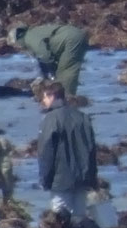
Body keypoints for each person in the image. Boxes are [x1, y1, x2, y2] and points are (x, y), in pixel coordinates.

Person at [33, 77, 99, 218]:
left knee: (61, 220)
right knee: (80, 220)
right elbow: (92, 150)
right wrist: (92, 178)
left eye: (44, 97)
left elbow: (46, 152)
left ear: (51, 96)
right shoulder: (83, 117)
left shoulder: (50, 119)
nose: (42, 101)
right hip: (83, 178)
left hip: (60, 180)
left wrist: (45, 180)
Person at [11, 22, 90, 101]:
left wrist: (50, 70)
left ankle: (65, 101)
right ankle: (65, 99)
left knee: (66, 71)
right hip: (75, 37)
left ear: (17, 40)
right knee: (68, 69)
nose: (18, 49)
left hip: (71, 39)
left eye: (16, 46)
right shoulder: (34, 32)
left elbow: (44, 54)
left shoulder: (29, 38)